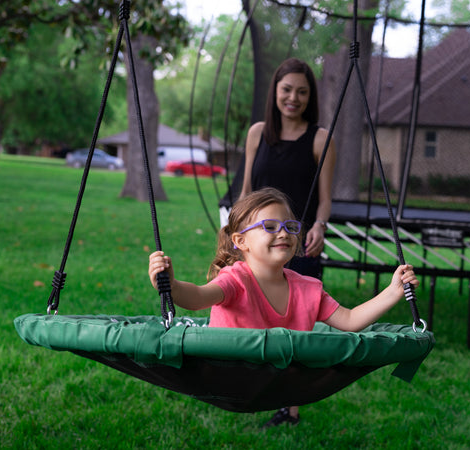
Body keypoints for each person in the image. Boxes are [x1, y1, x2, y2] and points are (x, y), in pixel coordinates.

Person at [148, 187, 418, 428]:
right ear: (240, 241)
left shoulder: (308, 288)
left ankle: (288, 412)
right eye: (270, 226)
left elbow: (349, 320)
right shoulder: (236, 279)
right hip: (230, 375)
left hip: (280, 382)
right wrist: (170, 284)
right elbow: (197, 297)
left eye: (290, 226)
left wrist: (393, 292)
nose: (284, 233)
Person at [238, 57, 336, 280]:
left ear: (310, 97)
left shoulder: (321, 140)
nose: (293, 98)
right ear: (275, 91)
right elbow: (246, 192)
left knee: (296, 311)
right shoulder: (257, 133)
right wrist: (234, 229)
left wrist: (319, 227)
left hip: (297, 244)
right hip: (257, 243)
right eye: (287, 89)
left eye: (302, 92)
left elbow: (325, 200)